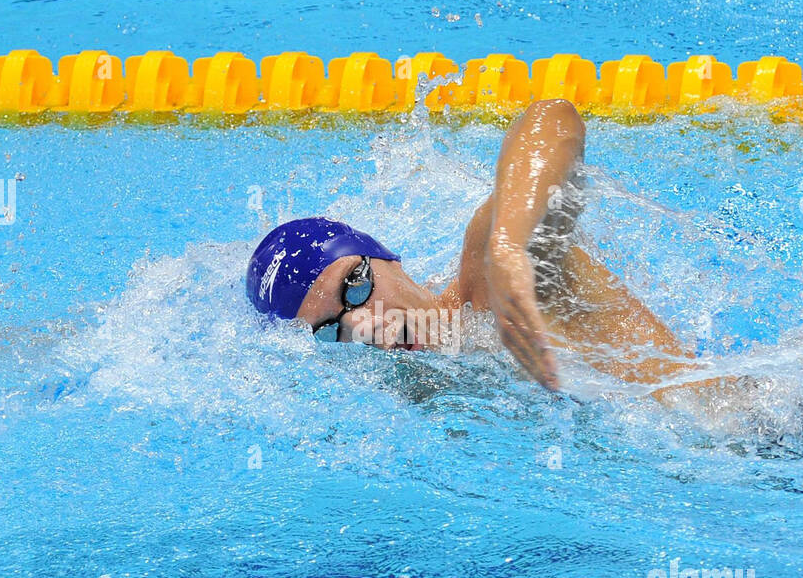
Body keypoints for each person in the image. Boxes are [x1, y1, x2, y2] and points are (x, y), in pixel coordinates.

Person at [244, 98, 705, 396]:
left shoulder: (486, 285)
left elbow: (552, 120)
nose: (366, 326)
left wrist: (508, 246)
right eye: (331, 329)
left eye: (356, 287)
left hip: (756, 439)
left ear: (386, 258)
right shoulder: (429, 397)